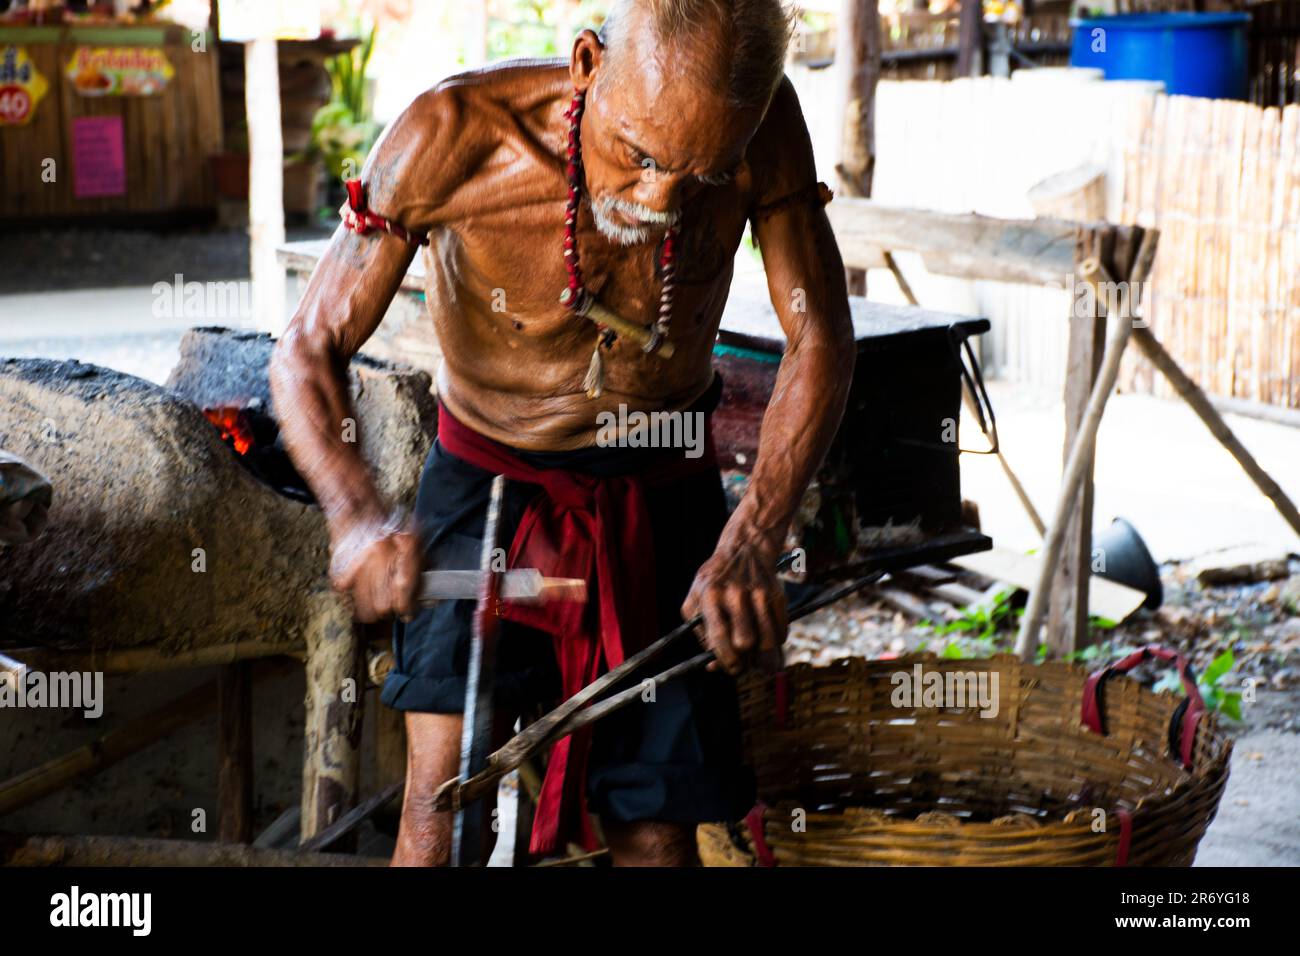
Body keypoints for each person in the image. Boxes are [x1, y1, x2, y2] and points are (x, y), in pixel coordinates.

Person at [270, 0, 853, 866]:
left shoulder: (763, 131)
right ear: (586, 63)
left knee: (655, 830)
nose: (661, 202)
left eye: (699, 175)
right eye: (642, 156)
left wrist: (756, 535)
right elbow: (307, 345)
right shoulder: (451, 134)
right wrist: (356, 516)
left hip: (661, 485)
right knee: (443, 804)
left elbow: (819, 336)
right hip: (486, 483)